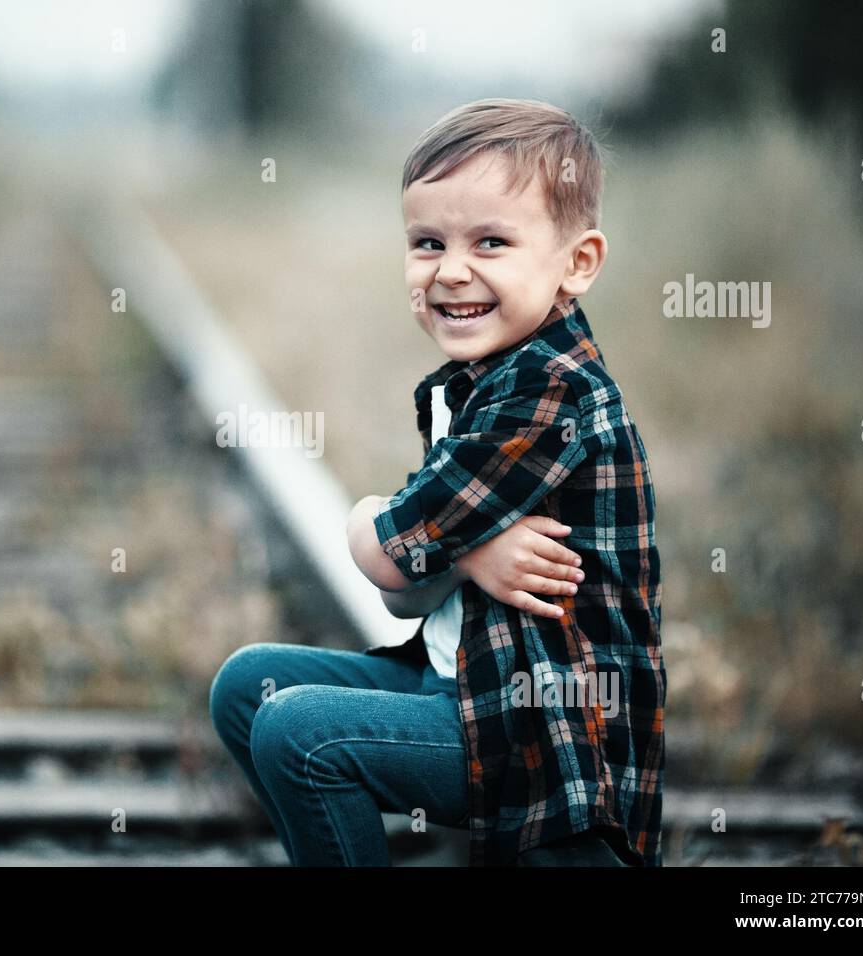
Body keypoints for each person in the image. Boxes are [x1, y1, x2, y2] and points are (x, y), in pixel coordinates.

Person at [210, 98, 664, 866]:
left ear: (576, 263)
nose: (452, 271)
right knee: (248, 685)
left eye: (491, 242)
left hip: (541, 736)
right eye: (428, 242)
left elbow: (389, 554)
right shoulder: (478, 385)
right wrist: (461, 556)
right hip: (462, 690)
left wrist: (376, 521)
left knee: (297, 732)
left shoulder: (546, 394)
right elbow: (404, 590)